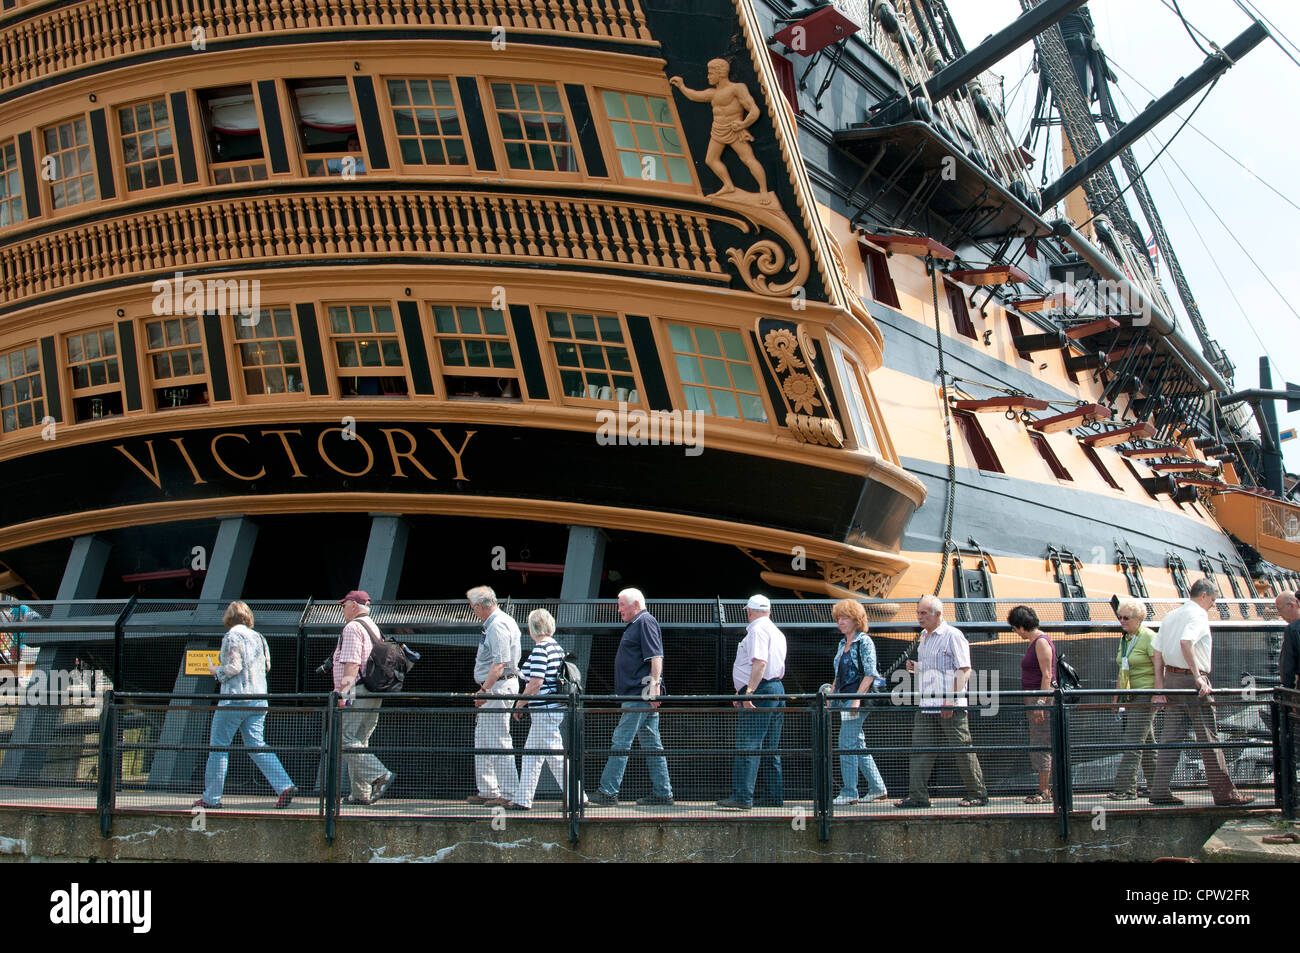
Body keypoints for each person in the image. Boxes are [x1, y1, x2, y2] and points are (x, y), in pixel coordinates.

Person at [1148, 578, 1255, 806]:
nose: (1214, 605)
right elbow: (1186, 642)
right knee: (1208, 738)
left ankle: (1158, 791)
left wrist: (1160, 686)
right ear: (1204, 595)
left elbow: (1157, 651)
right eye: (1213, 599)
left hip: (1172, 681)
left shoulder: (1170, 616)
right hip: (1191, 682)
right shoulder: (1197, 614)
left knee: (1170, 739)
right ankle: (1225, 794)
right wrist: (1197, 676)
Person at [194, 601, 295, 809]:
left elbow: (234, 666)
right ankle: (284, 785)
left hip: (235, 698)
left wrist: (216, 671)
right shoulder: (259, 637)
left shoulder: (232, 636)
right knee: (257, 745)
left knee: (219, 747)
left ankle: (211, 798)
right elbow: (267, 665)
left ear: (228, 618)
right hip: (259, 698)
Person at [895, 595, 988, 809]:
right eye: (918, 612)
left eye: (924, 613)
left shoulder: (953, 635)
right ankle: (918, 796)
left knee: (962, 749)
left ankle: (978, 793)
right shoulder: (924, 637)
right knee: (920, 750)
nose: (919, 617)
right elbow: (935, 669)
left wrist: (951, 699)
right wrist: (916, 668)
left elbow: (964, 669)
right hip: (927, 703)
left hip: (949, 705)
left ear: (938, 614)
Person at [589, 588, 674, 806]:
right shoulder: (640, 623)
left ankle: (608, 792)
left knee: (621, 740)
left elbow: (656, 656)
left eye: (621, 605)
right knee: (651, 744)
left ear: (635, 604)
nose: (619, 610)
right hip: (641, 693)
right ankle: (663, 793)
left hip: (639, 694)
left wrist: (654, 686)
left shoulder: (645, 622)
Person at [717, 594, 787, 811]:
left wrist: (748, 692)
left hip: (761, 690)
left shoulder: (757, 630)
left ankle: (742, 796)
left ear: (750, 611)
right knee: (770, 747)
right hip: (776, 689)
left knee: (748, 743)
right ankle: (773, 796)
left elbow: (759, 663)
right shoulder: (776, 631)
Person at [668, 59, 772, 203]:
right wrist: (682, 86)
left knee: (748, 159)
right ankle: (728, 185)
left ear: (720, 73)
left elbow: (754, 110)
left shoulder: (737, 88)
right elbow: (694, 96)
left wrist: (743, 124)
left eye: (710, 73)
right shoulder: (712, 93)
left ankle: (764, 192)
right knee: (710, 160)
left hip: (734, 131)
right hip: (718, 131)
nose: (708, 77)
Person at [504, 609, 578, 810]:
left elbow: (536, 682)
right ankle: (524, 798)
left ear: (532, 628)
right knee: (536, 756)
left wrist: (520, 703)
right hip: (552, 708)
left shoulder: (540, 649)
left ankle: (576, 797)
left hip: (544, 709)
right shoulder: (556, 647)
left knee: (551, 756)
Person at [334, 589, 394, 805]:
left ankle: (380, 775)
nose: (342, 609)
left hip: (357, 690)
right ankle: (360, 794)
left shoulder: (352, 628)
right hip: (374, 690)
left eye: (344, 604)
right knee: (359, 740)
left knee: (343, 739)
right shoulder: (373, 627)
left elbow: (351, 664)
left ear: (353, 605)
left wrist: (344, 696)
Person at [467, 585, 522, 806]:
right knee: (484, 739)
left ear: (480, 606)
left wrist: (484, 691)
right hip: (496, 687)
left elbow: (499, 663)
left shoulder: (497, 625)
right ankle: (488, 789)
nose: (473, 612)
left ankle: (508, 792)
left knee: (498, 739)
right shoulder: (498, 623)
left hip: (497, 688)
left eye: (473, 608)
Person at [829, 599, 887, 805]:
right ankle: (877, 787)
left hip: (855, 700)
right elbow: (839, 673)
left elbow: (870, 673)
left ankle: (849, 792)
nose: (840, 622)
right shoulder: (841, 643)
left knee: (846, 743)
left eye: (845, 618)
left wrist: (856, 700)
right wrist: (832, 696)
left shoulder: (864, 641)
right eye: (838, 618)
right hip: (844, 699)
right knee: (857, 743)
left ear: (856, 620)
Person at [1106, 599, 1158, 800]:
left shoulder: (1148, 638)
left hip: (1144, 695)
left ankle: (1125, 789)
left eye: (1126, 618)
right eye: (1120, 617)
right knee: (1147, 743)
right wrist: (1116, 698)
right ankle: (1157, 785)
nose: (1122, 621)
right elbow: (1123, 669)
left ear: (1139, 619)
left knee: (1133, 742)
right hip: (1131, 695)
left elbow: (1158, 666)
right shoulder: (1126, 639)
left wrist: (1157, 693)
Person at [1010, 605, 1054, 804]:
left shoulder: (1040, 642)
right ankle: (1042, 788)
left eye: (1014, 627)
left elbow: (1047, 674)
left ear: (1021, 626)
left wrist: (1040, 703)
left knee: (1041, 742)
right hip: (1034, 696)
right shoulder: (1034, 642)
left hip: (1040, 697)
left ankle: (1044, 790)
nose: (1015, 632)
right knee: (1037, 741)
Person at [1276, 591, 1300, 691]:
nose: (1279, 614)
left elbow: (1287, 668)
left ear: (1292, 605)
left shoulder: (1293, 630)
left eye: (1279, 609)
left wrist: (1289, 693)